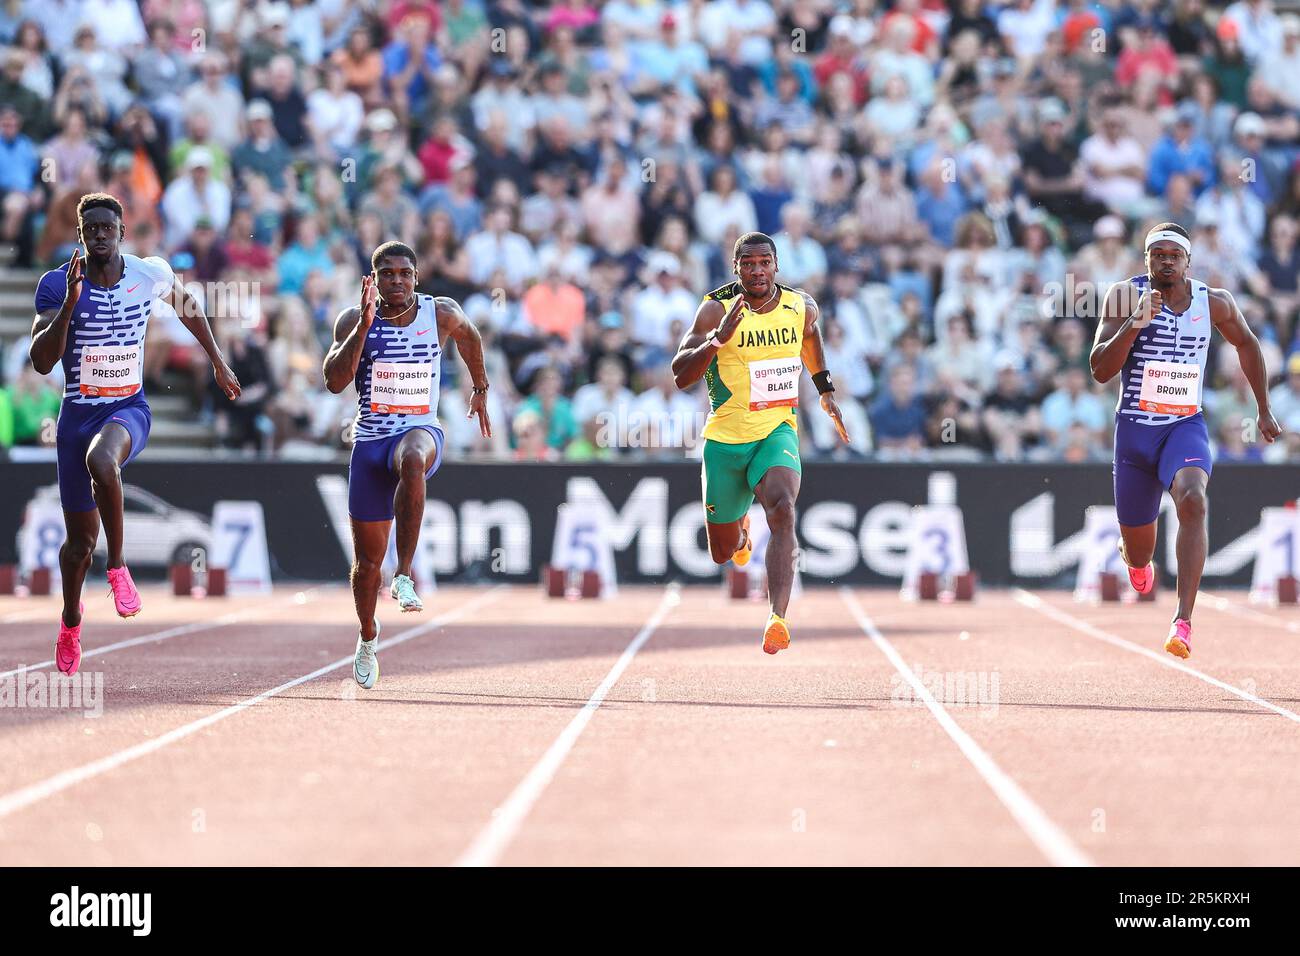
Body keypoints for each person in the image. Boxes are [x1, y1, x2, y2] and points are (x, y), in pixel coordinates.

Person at [29, 193, 240, 676]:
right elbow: (42, 362)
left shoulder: (150, 273)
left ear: (122, 232)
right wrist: (69, 306)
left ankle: (119, 568)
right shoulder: (57, 284)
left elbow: (189, 307)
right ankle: (71, 620)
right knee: (79, 544)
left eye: (108, 228)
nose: (100, 236)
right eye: (91, 229)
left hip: (128, 407)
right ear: (80, 235)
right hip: (76, 417)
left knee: (104, 461)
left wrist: (217, 360)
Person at [1090, 222, 1281, 658]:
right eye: (1157, 254)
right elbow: (1100, 369)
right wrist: (1136, 323)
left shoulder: (1213, 303)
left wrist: (1263, 409)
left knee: (1193, 499)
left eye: (1174, 255)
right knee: (1141, 553)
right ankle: (1135, 559)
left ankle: (1183, 621)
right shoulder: (1124, 296)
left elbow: (1248, 346)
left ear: (1188, 262)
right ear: (1146, 260)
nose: (1166, 262)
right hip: (1135, 433)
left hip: (1184, 425)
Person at [322, 241, 491, 689]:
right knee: (365, 566)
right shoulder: (353, 319)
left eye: (405, 274)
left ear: (416, 278)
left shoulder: (439, 313)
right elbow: (334, 381)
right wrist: (362, 324)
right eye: (387, 274)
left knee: (414, 459)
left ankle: (405, 573)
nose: (397, 281)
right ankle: (367, 635)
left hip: (419, 430)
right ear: (373, 280)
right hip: (370, 445)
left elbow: (471, 337)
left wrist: (481, 387)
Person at [671, 232, 848, 655]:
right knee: (721, 552)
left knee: (784, 509)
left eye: (764, 263)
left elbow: (809, 335)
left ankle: (777, 618)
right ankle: (741, 535)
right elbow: (680, 374)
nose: (757, 271)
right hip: (726, 439)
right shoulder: (716, 306)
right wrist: (718, 338)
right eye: (748, 264)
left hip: (776, 429)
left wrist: (825, 391)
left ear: (776, 265)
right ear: (736, 267)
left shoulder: (799, 305)